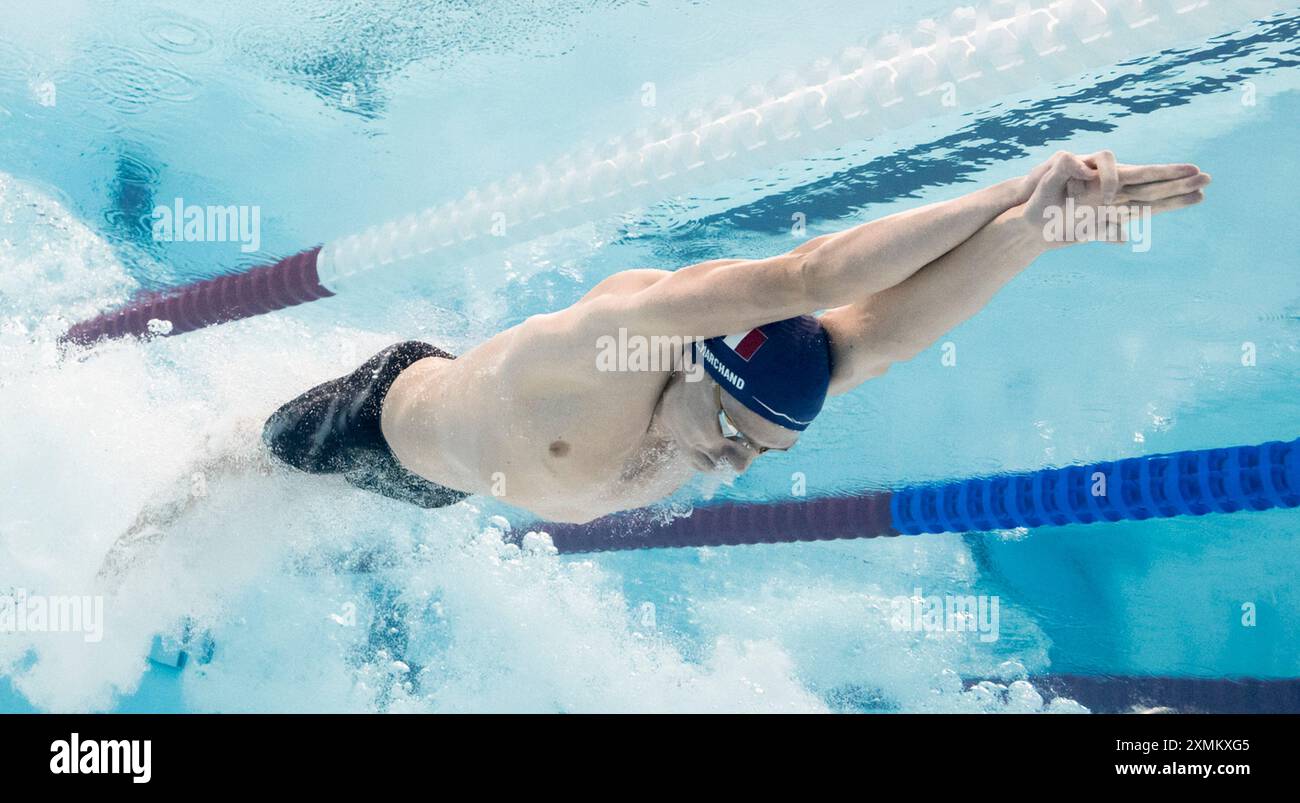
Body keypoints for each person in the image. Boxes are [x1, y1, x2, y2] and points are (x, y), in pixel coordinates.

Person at [261, 150, 1209, 524]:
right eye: (743, 438)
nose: (737, 463)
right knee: (234, 471)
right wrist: (1010, 188)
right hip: (371, 421)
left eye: (762, 450)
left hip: (451, 485)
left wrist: (1038, 229)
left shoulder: (731, 397)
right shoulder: (611, 342)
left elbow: (884, 334)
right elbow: (815, 276)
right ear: (702, 370)